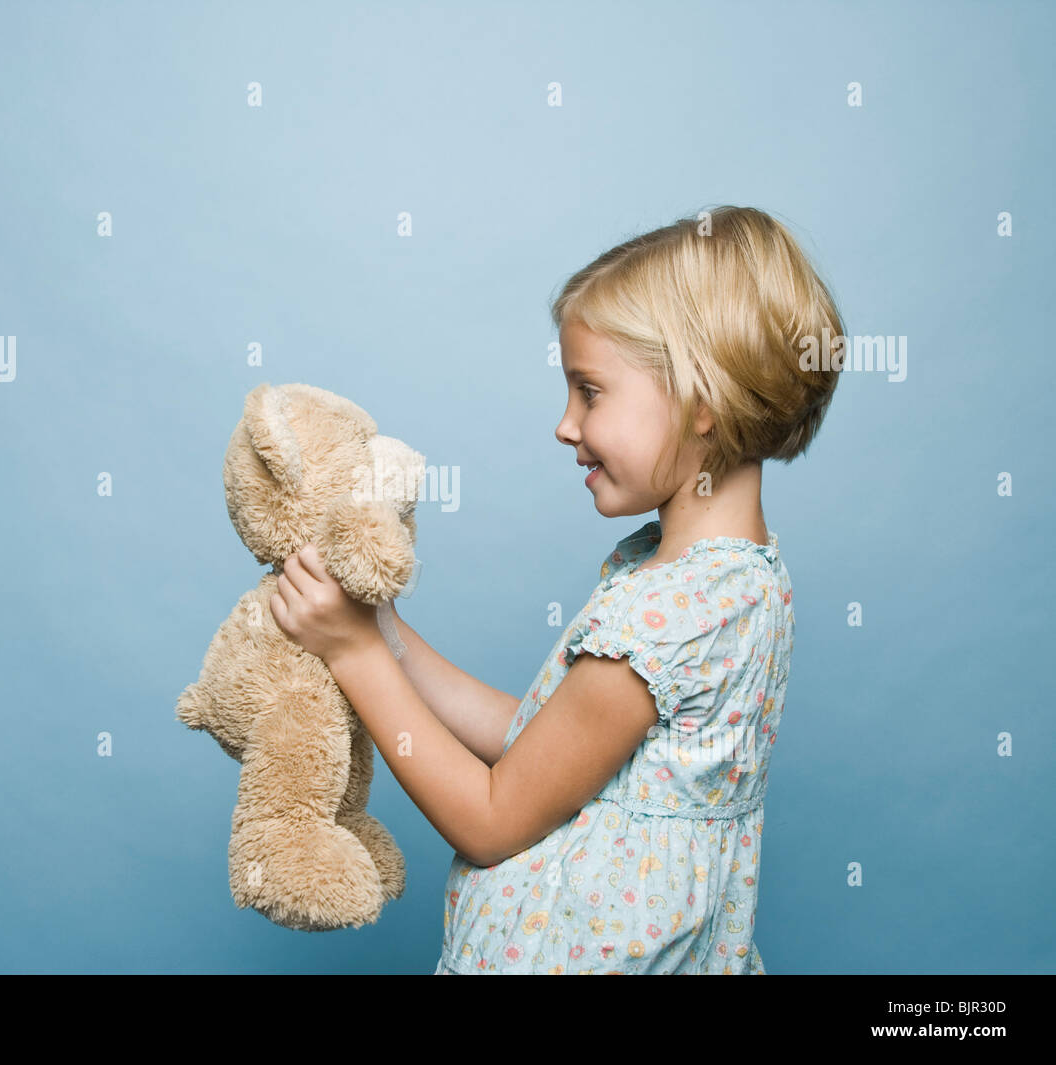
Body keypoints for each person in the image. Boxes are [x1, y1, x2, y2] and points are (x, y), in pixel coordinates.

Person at [269, 204, 845, 973]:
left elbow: (494, 815)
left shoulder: (671, 615)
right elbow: (553, 742)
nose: (565, 424)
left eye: (591, 391)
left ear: (703, 402)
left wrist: (355, 654)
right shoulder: (729, 580)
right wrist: (385, 633)